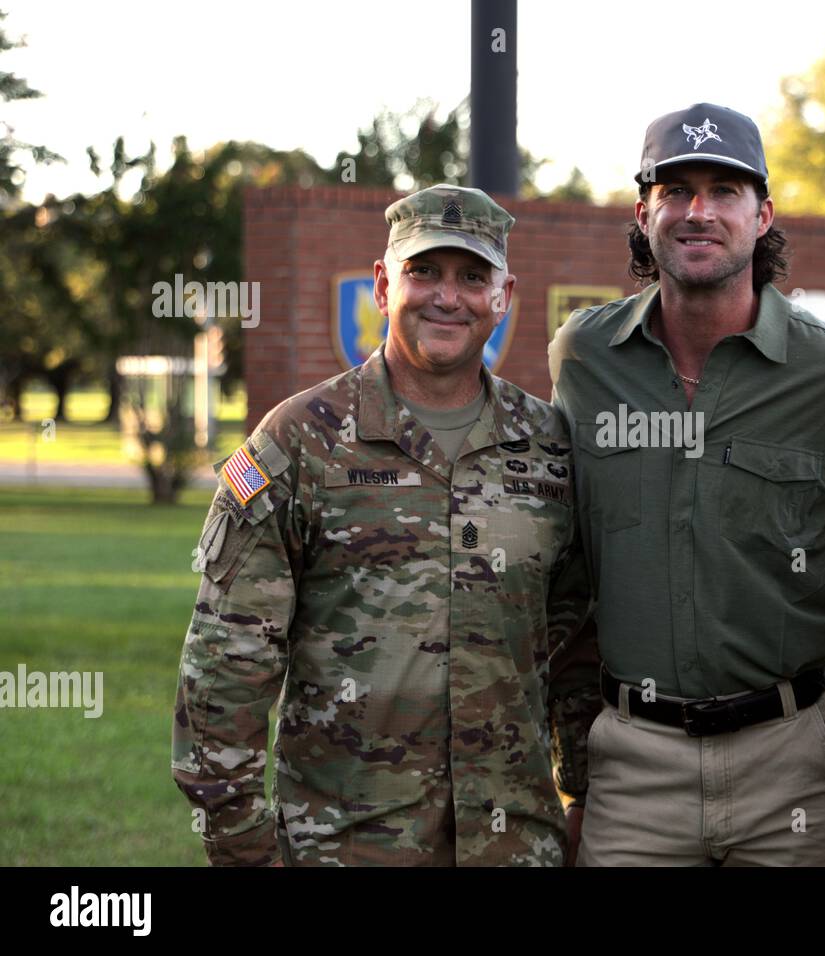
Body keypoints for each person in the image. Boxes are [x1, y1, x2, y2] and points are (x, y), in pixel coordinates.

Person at [172, 184, 597, 866]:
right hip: (347, 847)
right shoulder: (300, 441)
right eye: (423, 271)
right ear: (381, 284)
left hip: (515, 846)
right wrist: (242, 843)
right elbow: (227, 659)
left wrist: (582, 797)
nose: (447, 297)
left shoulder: (549, 446)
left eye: (472, 277)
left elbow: (577, 647)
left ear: (504, 297)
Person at [548, 103, 825, 866]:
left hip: (793, 757)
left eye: (724, 191)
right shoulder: (586, 359)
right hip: (634, 764)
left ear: (763, 216)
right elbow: (572, 564)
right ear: (644, 213)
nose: (699, 212)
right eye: (675, 191)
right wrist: (575, 773)